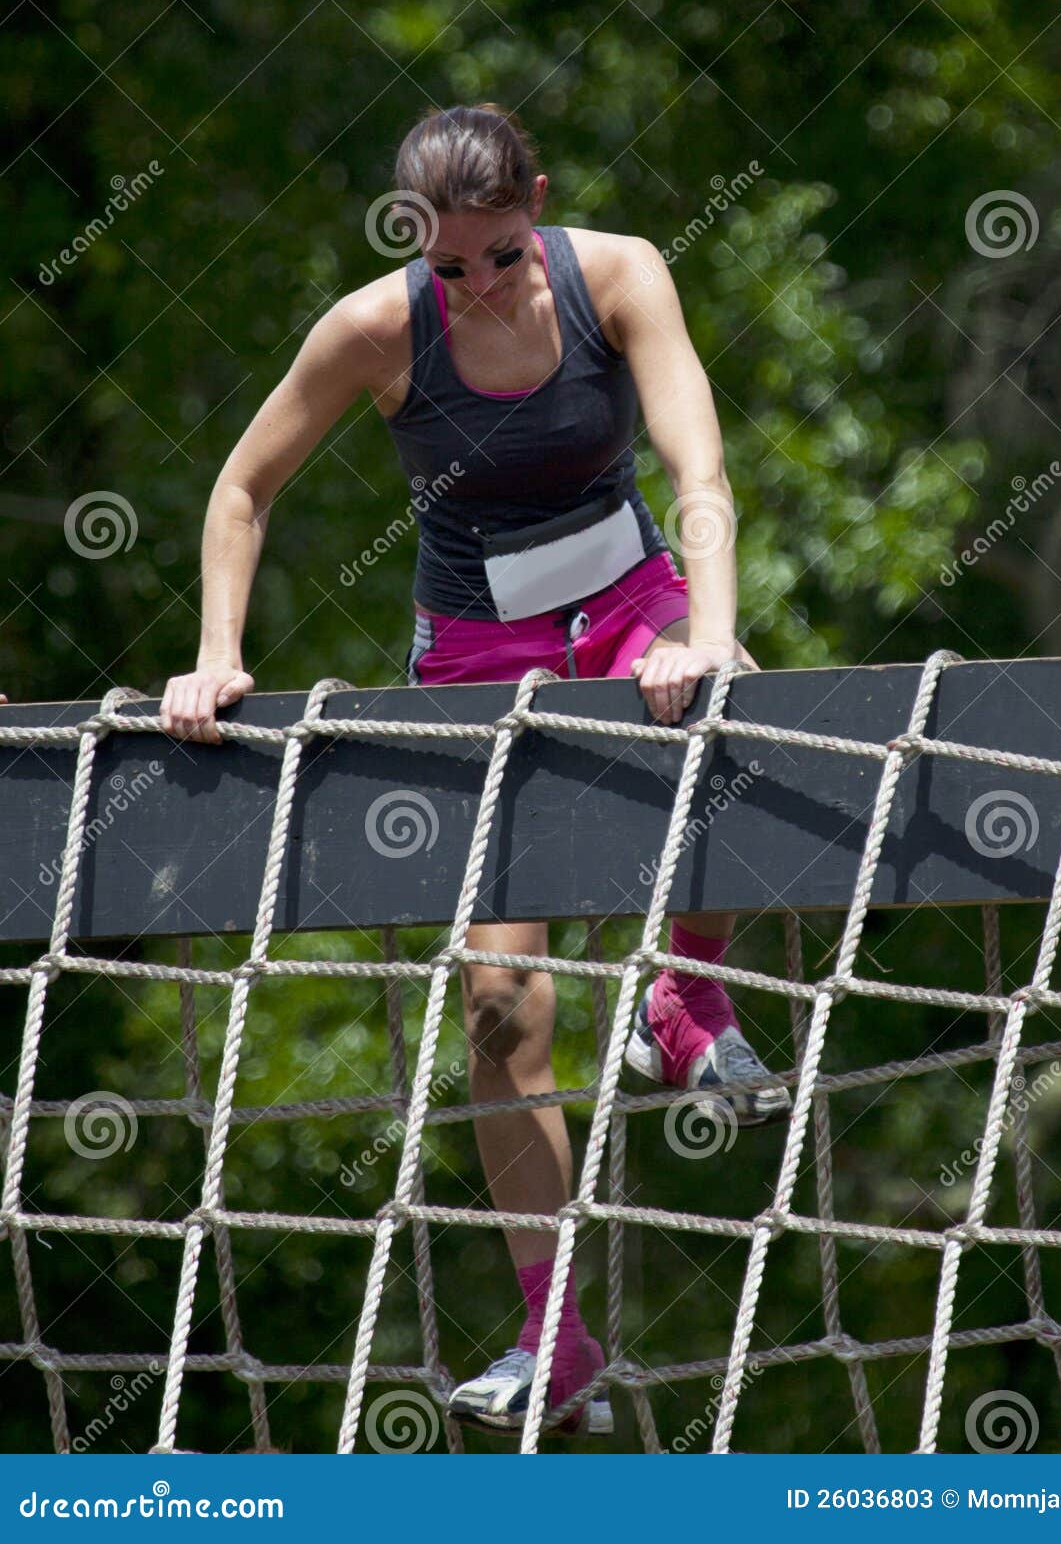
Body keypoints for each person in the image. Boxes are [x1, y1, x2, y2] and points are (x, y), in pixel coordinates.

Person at [158, 102, 790, 1439]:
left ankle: (687, 992)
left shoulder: (617, 274)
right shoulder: (376, 330)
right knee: (500, 1008)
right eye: (452, 268)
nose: (483, 286)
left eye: (502, 255)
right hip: (480, 656)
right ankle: (556, 1338)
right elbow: (242, 487)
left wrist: (711, 630)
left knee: (720, 712)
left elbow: (702, 466)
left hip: (632, 603)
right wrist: (215, 655)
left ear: (538, 209)